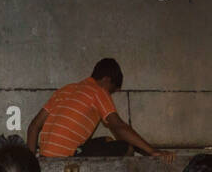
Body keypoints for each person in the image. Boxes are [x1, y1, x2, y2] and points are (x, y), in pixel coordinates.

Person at [26, 58, 174, 160]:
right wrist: (152, 151)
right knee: (127, 148)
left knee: (108, 140)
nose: (109, 95)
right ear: (106, 80)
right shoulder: (98, 91)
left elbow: (33, 127)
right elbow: (118, 126)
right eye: (111, 90)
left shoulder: (66, 89)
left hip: (45, 157)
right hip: (66, 159)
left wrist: (31, 165)